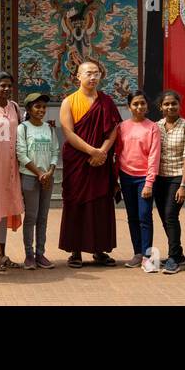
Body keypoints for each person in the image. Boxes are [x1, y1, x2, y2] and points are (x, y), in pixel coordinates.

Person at [58, 59, 121, 267]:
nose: (93, 77)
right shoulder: (69, 101)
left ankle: (99, 249)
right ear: (78, 76)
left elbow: (113, 129)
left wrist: (102, 151)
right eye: (88, 73)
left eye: (96, 73)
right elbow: (68, 132)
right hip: (79, 161)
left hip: (100, 162)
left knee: (100, 205)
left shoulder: (107, 101)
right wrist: (91, 151)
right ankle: (75, 251)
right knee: (76, 204)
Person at [0, 71, 25, 271]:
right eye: (2, 85)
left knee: (5, 209)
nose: (6, 89)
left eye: (9, 85)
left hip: (11, 168)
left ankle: (2, 253)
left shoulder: (15, 107)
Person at [115, 89, 160, 269]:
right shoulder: (121, 127)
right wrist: (116, 180)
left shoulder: (153, 127)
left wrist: (149, 182)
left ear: (147, 106)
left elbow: (154, 156)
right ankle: (137, 253)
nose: (139, 106)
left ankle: (148, 256)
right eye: (135, 104)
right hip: (126, 177)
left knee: (144, 216)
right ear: (129, 106)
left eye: (142, 103)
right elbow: (117, 153)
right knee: (132, 217)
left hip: (144, 178)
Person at [153, 89, 185, 275]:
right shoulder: (156, 126)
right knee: (165, 218)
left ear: (179, 105)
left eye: (174, 103)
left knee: (170, 215)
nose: (170, 107)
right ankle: (178, 254)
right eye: (166, 104)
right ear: (161, 107)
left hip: (177, 177)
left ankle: (173, 258)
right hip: (159, 178)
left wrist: (184, 185)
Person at [16, 91, 58, 270]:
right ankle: (29, 255)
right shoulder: (23, 128)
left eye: (43, 107)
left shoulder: (49, 128)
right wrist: (39, 173)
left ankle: (40, 254)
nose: (41, 110)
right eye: (37, 106)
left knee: (43, 217)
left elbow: (55, 151)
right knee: (31, 217)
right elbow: (21, 154)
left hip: (47, 178)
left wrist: (49, 171)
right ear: (29, 109)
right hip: (29, 177)